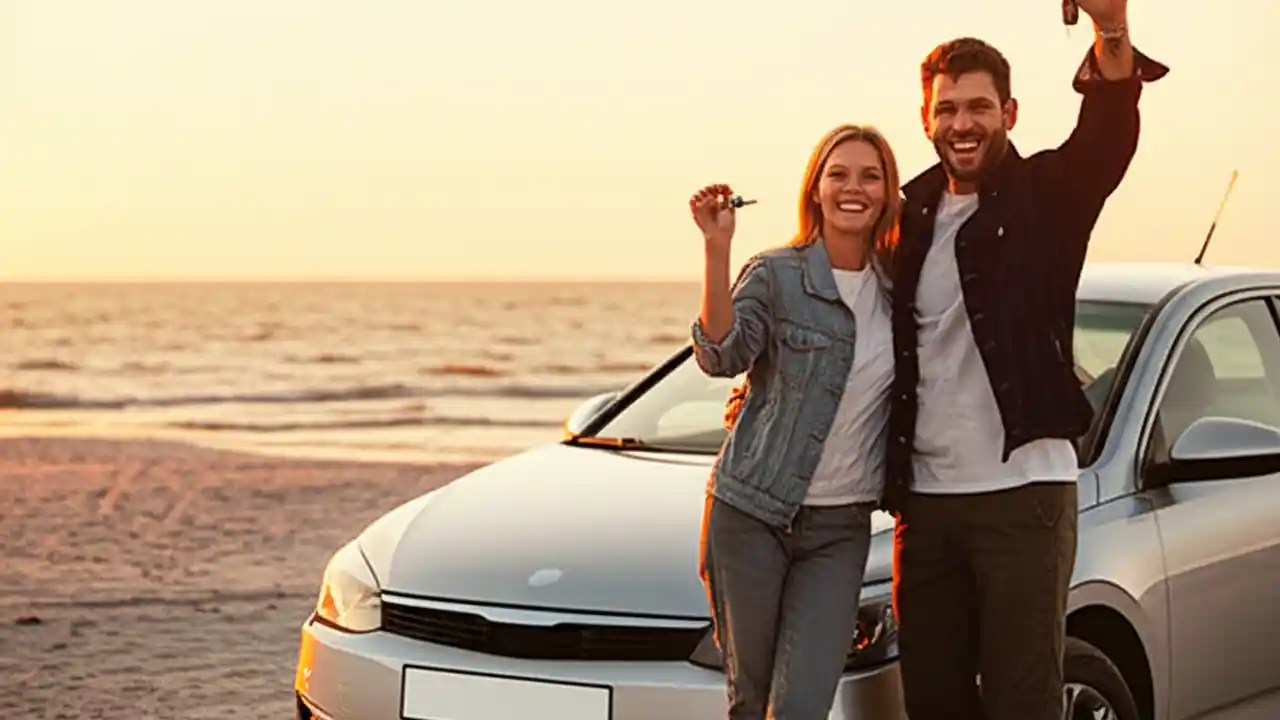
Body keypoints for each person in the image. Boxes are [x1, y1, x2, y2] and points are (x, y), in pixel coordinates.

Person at [883, 3, 1168, 719]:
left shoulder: (1048, 195)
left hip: (1024, 499)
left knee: (1021, 700)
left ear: (1009, 111)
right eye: (946, 108)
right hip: (924, 506)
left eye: (979, 106)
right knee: (934, 704)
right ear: (925, 119)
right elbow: (853, 321)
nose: (963, 123)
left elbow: (1107, 135)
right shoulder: (905, 212)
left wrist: (1110, 30)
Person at [688, 123, 901, 720]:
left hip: (840, 528)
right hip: (750, 514)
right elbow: (720, 355)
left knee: (803, 706)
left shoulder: (898, 289)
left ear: (888, 192)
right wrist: (716, 247)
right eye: (837, 174)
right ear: (815, 188)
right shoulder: (777, 274)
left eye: (869, 175)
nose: (852, 188)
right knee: (751, 703)